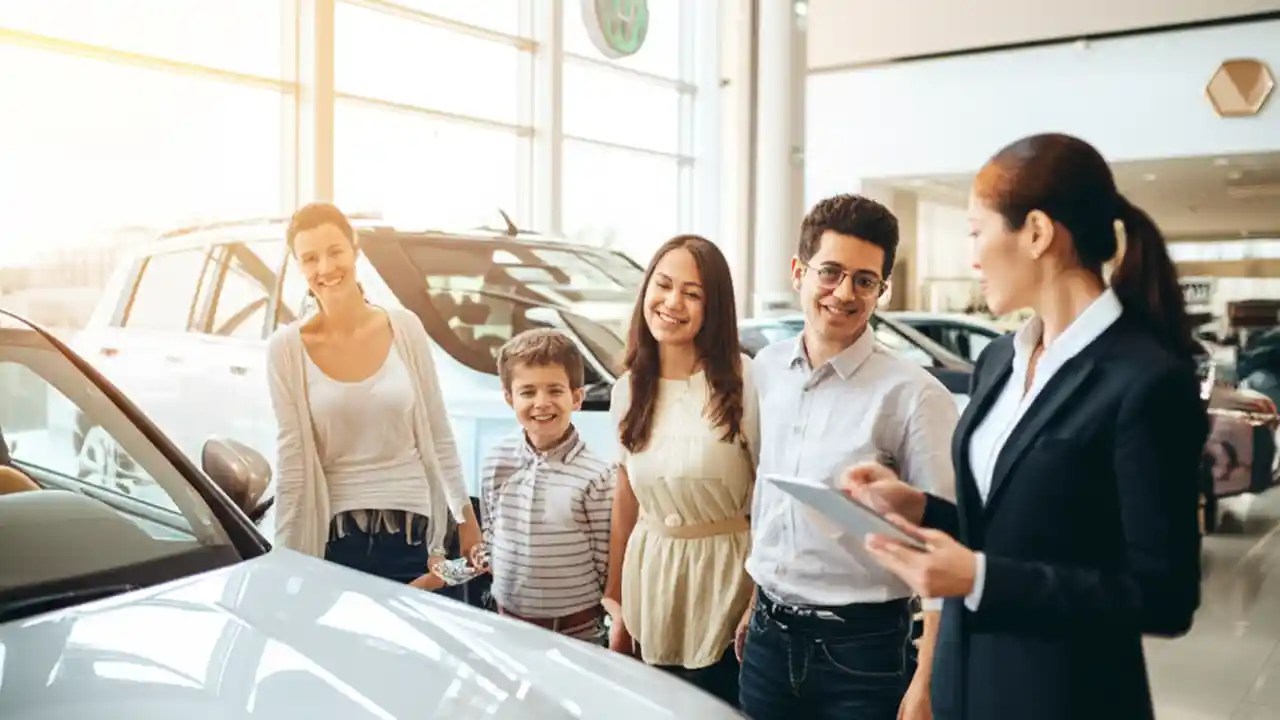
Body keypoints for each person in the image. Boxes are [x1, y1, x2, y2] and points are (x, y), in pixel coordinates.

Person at [842, 133, 1207, 720]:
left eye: (976, 231)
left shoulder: (1144, 378)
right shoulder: (1000, 362)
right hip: (970, 686)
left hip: (1068, 698)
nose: (972, 256)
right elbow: (1013, 529)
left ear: (1036, 233)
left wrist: (982, 578)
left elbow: (1163, 596)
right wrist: (920, 509)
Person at [739, 194, 958, 720]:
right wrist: (754, 604)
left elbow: (944, 548)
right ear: (798, 271)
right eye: (830, 272)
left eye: (865, 280)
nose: (844, 293)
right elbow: (770, 501)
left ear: (881, 289)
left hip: (863, 651)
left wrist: (927, 682)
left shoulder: (914, 395)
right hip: (767, 638)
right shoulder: (765, 370)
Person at [265, 202, 482, 590]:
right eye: (310, 258)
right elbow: (292, 462)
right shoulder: (285, 349)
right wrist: (283, 554)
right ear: (299, 267)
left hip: (414, 533)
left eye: (335, 251)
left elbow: (437, 430)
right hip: (337, 538)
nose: (326, 268)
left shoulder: (404, 328)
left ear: (355, 249)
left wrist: (466, 520)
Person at [605, 234, 758, 707]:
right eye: (664, 285)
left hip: (728, 581)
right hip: (651, 581)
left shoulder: (745, 379)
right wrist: (617, 605)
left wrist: (758, 601)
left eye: (692, 293)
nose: (672, 303)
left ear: (715, 308)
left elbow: (771, 494)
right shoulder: (628, 389)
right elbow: (626, 497)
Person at [479, 328, 616, 641]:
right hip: (507, 625)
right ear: (509, 398)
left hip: (575, 631)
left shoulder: (597, 475)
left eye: (555, 391)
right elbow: (491, 531)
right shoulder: (496, 461)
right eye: (528, 392)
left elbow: (604, 562)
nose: (542, 403)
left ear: (577, 397)